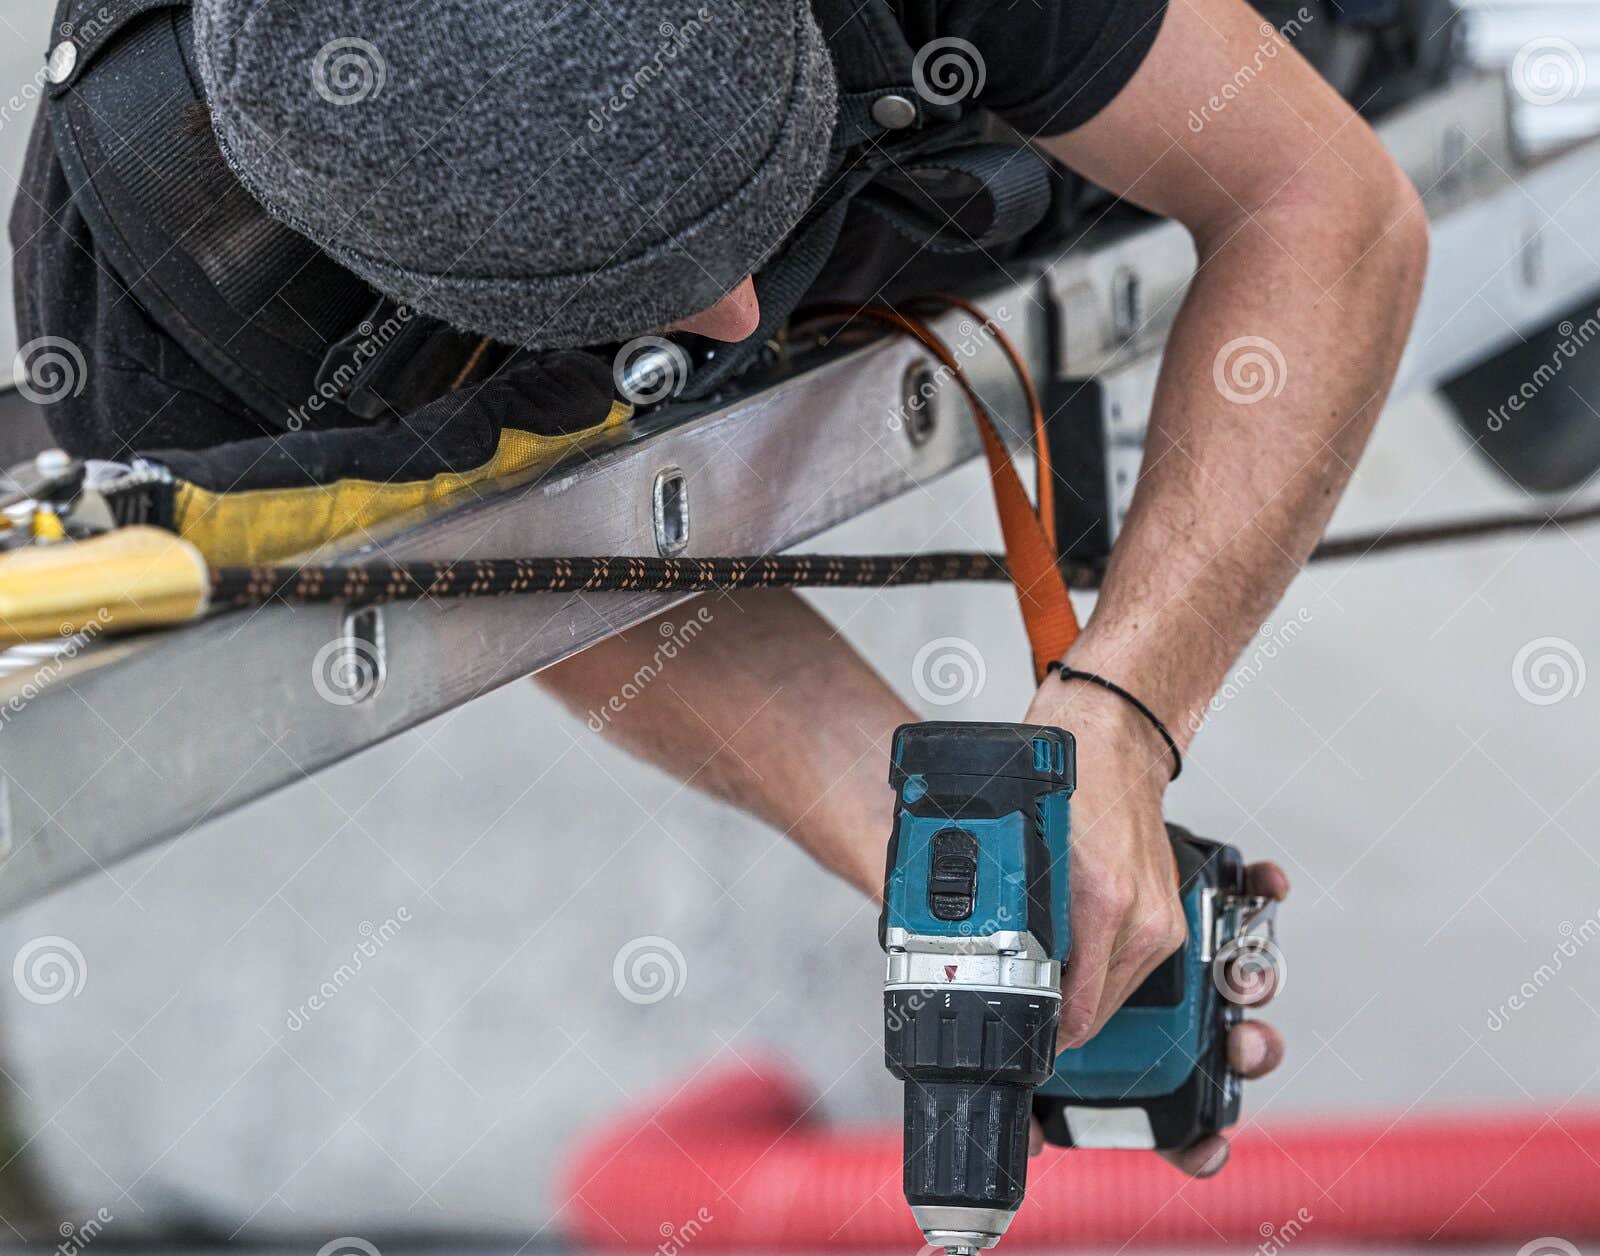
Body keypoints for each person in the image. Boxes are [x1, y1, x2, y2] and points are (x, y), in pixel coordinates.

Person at [10, 0, 1429, 1175]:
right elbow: (514, 549)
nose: (740, 310)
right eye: (642, 280)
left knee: (1345, 42)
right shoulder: (177, 333)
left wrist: (1125, 707)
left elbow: (1326, 207)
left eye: (746, 200)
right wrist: (949, 853)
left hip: (1029, 75)